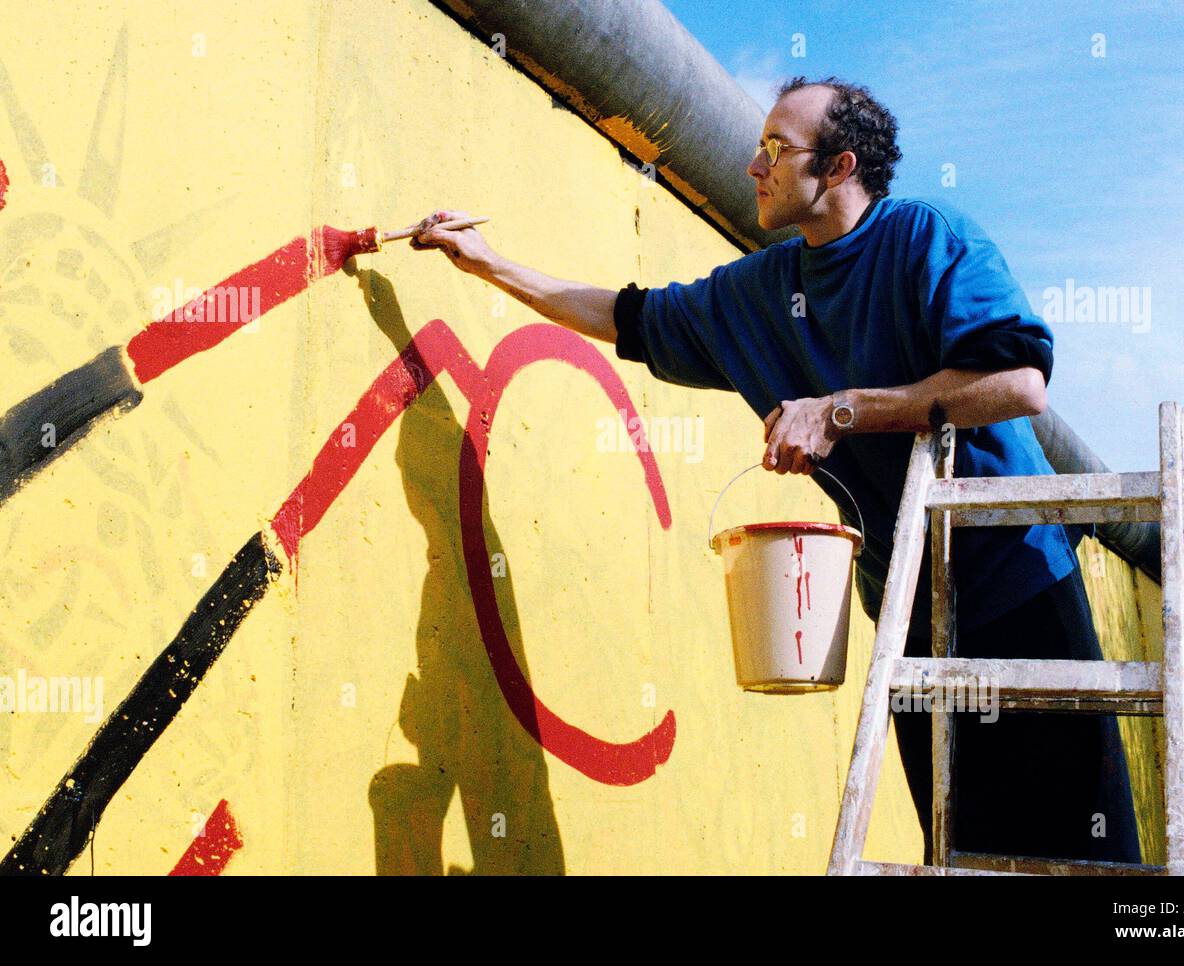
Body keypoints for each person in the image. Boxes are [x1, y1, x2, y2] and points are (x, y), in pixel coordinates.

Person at [408, 74, 1142, 867]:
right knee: (961, 855)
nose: (754, 165)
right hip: (907, 612)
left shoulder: (927, 237)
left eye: (775, 149)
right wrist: (484, 263)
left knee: (1085, 852)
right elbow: (627, 316)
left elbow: (1017, 382)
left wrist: (839, 410)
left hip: (1020, 581)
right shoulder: (760, 292)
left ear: (838, 167)